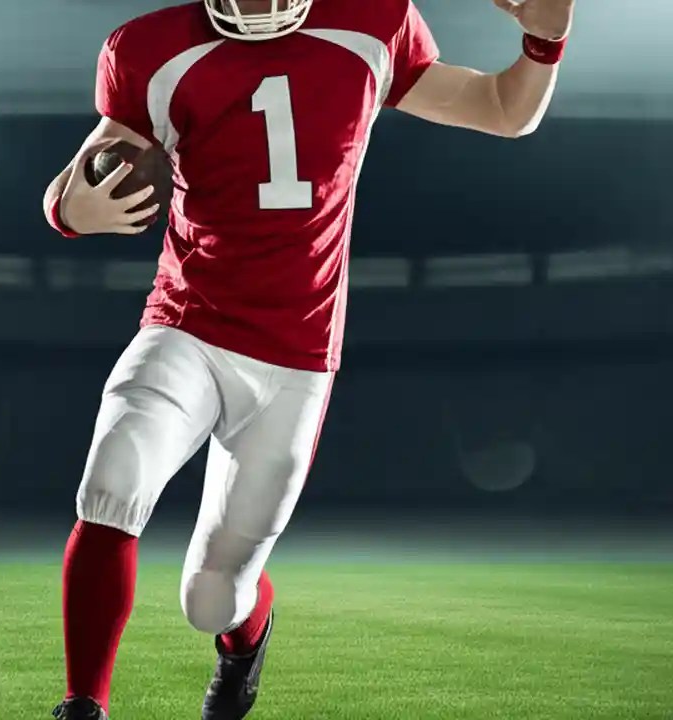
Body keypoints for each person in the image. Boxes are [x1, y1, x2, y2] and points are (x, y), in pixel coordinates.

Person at [41, 0, 575, 717]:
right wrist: (71, 213)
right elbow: (78, 177)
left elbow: (504, 110)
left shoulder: (374, 21)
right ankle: (82, 707)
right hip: (186, 323)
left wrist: (546, 43)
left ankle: (245, 639)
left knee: (212, 598)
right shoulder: (148, 47)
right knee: (113, 480)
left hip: (295, 356)